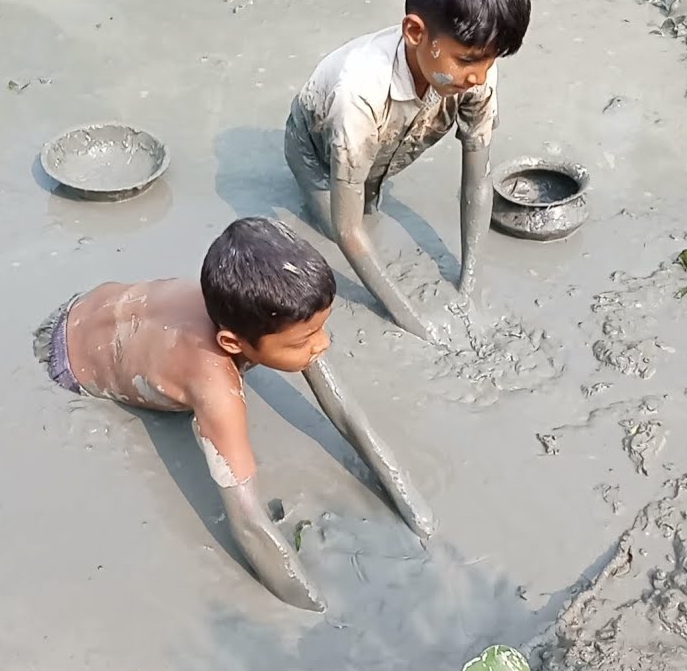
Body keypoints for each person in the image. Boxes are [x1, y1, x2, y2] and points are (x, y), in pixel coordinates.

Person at [34, 217, 435, 611]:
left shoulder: (264, 309)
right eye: (305, 340)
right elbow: (247, 521)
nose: (323, 344)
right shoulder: (215, 385)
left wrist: (414, 509)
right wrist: (316, 611)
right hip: (72, 363)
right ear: (230, 341)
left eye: (322, 328)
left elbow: (345, 411)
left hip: (95, 303)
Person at [284, 0, 531, 341]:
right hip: (314, 148)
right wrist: (413, 322)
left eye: (491, 61)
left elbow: (478, 181)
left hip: (385, 142)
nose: (479, 77)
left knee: (369, 203)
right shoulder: (360, 92)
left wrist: (470, 280)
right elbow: (347, 230)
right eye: (467, 60)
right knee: (333, 230)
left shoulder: (472, 77)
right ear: (415, 33)